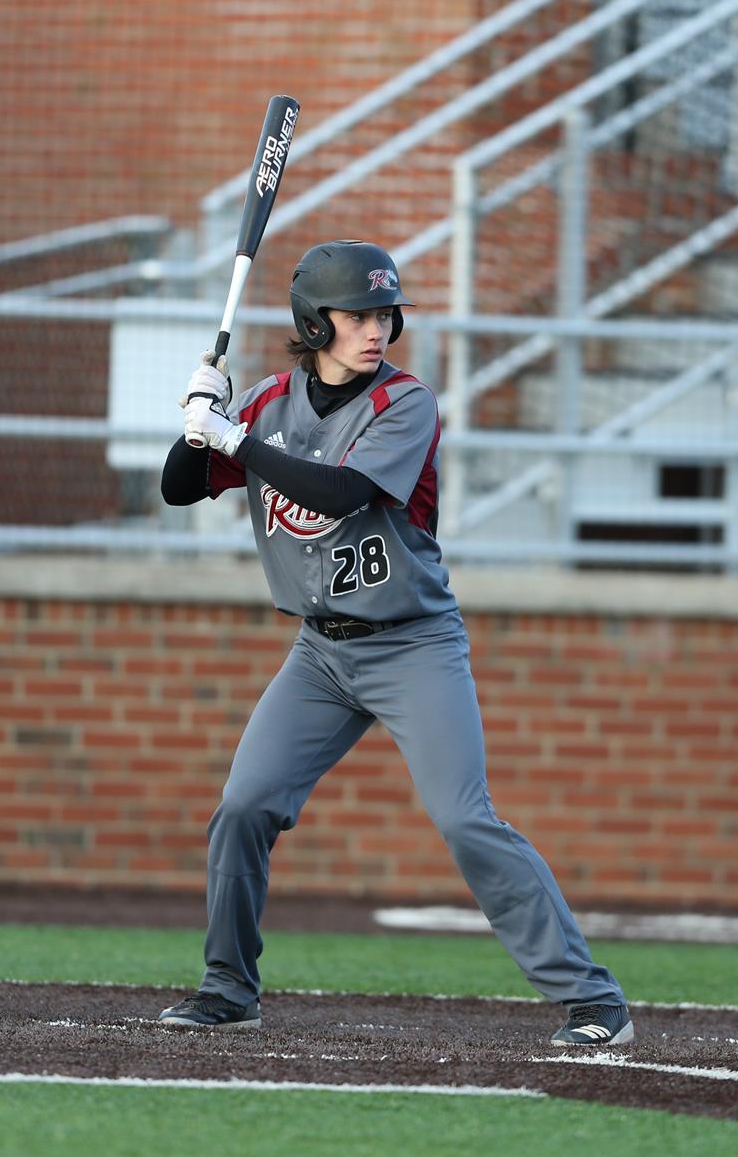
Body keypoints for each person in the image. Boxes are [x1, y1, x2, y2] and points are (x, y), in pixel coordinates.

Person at [155, 240, 633, 1047]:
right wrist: (200, 421)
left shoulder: (404, 404)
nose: (374, 329)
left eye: (383, 314)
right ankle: (228, 986)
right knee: (243, 806)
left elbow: (340, 491)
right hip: (320, 652)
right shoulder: (270, 403)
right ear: (315, 322)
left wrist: (233, 440)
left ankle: (594, 1000)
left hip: (412, 642)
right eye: (355, 315)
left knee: (464, 817)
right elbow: (176, 487)